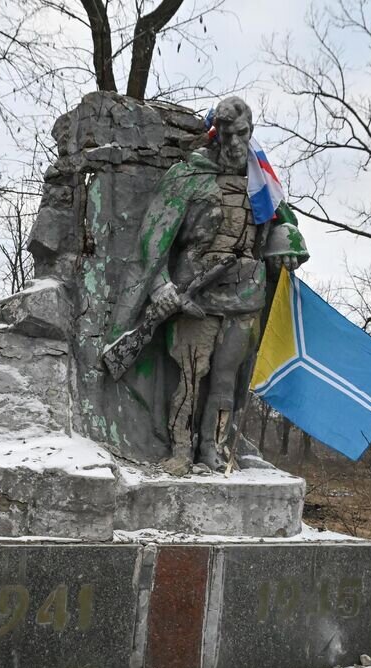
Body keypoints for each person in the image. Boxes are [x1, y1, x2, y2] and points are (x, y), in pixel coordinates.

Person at [108, 96, 308, 474]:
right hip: (194, 295)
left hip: (246, 296)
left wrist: (287, 246)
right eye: (228, 135)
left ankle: (212, 450)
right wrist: (160, 286)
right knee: (190, 374)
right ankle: (181, 449)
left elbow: (286, 226)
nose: (235, 144)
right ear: (215, 134)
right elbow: (154, 237)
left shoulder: (262, 182)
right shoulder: (188, 176)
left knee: (227, 378)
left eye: (243, 134)